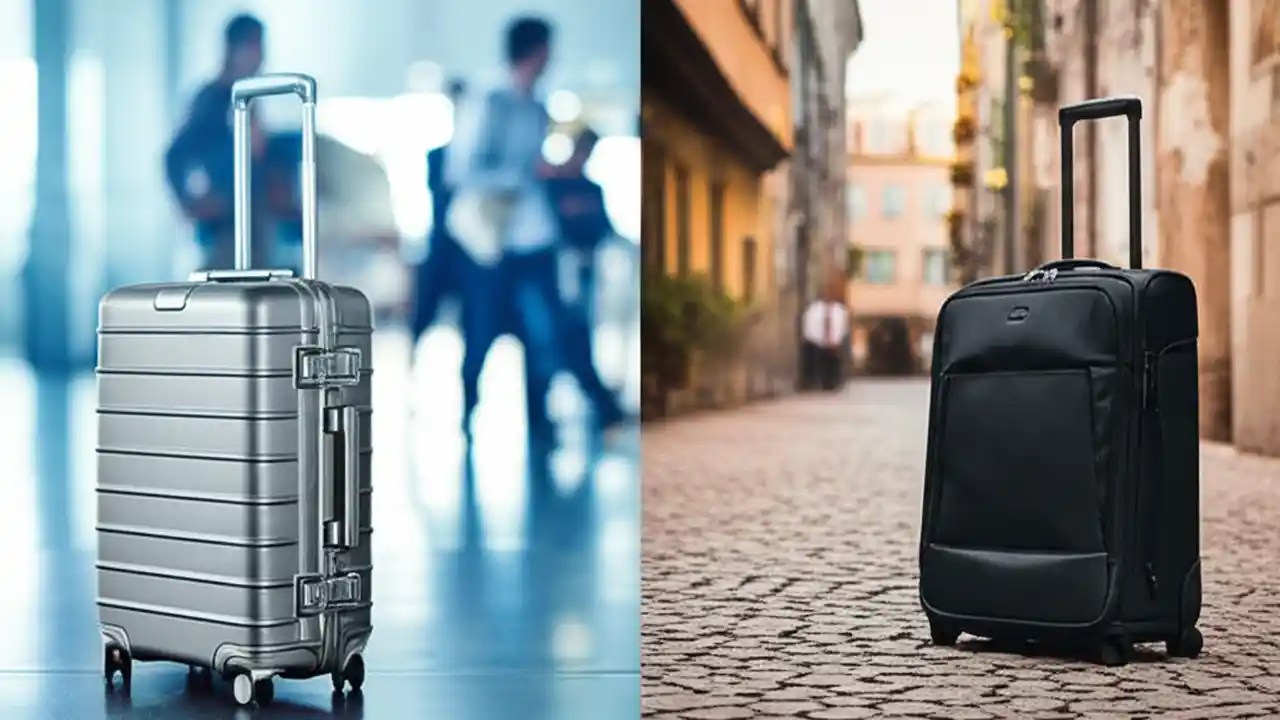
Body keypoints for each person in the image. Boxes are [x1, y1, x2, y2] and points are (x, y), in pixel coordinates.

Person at [446, 16, 563, 443]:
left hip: (532, 235)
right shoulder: (491, 100)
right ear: (535, 50)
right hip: (490, 240)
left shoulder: (537, 104)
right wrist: (525, 172)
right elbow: (463, 170)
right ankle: (468, 412)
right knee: (482, 326)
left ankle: (540, 416)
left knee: (543, 326)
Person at [164, 14, 271, 271]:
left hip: (254, 225)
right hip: (226, 232)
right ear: (236, 49)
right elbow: (174, 155)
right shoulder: (213, 99)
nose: (261, 58)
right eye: (256, 47)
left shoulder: (248, 98)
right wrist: (190, 204)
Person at [545, 128, 626, 430]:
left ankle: (601, 403)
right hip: (555, 274)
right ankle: (598, 403)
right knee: (558, 338)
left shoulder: (592, 189)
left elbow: (605, 228)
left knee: (579, 335)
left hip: (586, 272)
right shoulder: (551, 185)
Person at [410, 79, 470, 349]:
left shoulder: (477, 160)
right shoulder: (438, 157)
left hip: (470, 249)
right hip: (441, 244)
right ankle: (412, 362)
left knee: (474, 319)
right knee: (425, 311)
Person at [801, 287, 849, 391]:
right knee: (818, 363)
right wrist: (814, 339)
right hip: (817, 342)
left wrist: (837, 340)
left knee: (833, 363)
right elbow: (808, 324)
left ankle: (831, 383)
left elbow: (843, 326)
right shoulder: (813, 309)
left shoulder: (840, 310)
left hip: (834, 342)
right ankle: (817, 382)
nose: (829, 298)